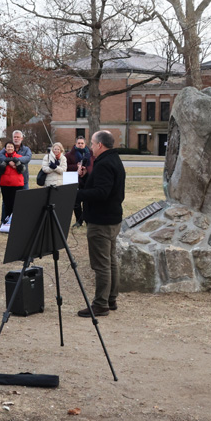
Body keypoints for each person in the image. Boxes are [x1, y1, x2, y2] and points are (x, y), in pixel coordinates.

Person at [75, 130, 125, 317]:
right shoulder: (114, 160)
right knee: (110, 261)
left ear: (100, 145)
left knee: (102, 264)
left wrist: (75, 193)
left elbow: (101, 193)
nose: (90, 147)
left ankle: (101, 304)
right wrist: (86, 177)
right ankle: (111, 298)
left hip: (101, 221)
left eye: (93, 143)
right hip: (111, 219)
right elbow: (104, 188)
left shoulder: (104, 164)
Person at [0, 141, 25, 230]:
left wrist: (16, 162)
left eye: (11, 147)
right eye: (8, 147)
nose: (10, 148)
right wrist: (6, 162)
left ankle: (16, 223)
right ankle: (6, 222)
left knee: (16, 204)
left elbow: (22, 170)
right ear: (5, 149)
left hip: (17, 184)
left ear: (14, 149)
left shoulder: (19, 157)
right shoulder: (2, 158)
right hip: (5, 185)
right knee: (7, 204)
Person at [66, 135, 93, 227]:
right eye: (79, 143)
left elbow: (94, 166)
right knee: (76, 203)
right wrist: (76, 167)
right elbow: (66, 167)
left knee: (87, 202)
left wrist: (86, 169)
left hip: (88, 181)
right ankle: (79, 221)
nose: (80, 145)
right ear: (75, 144)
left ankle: (88, 220)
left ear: (85, 144)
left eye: (82, 143)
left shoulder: (91, 154)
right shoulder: (69, 155)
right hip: (75, 181)